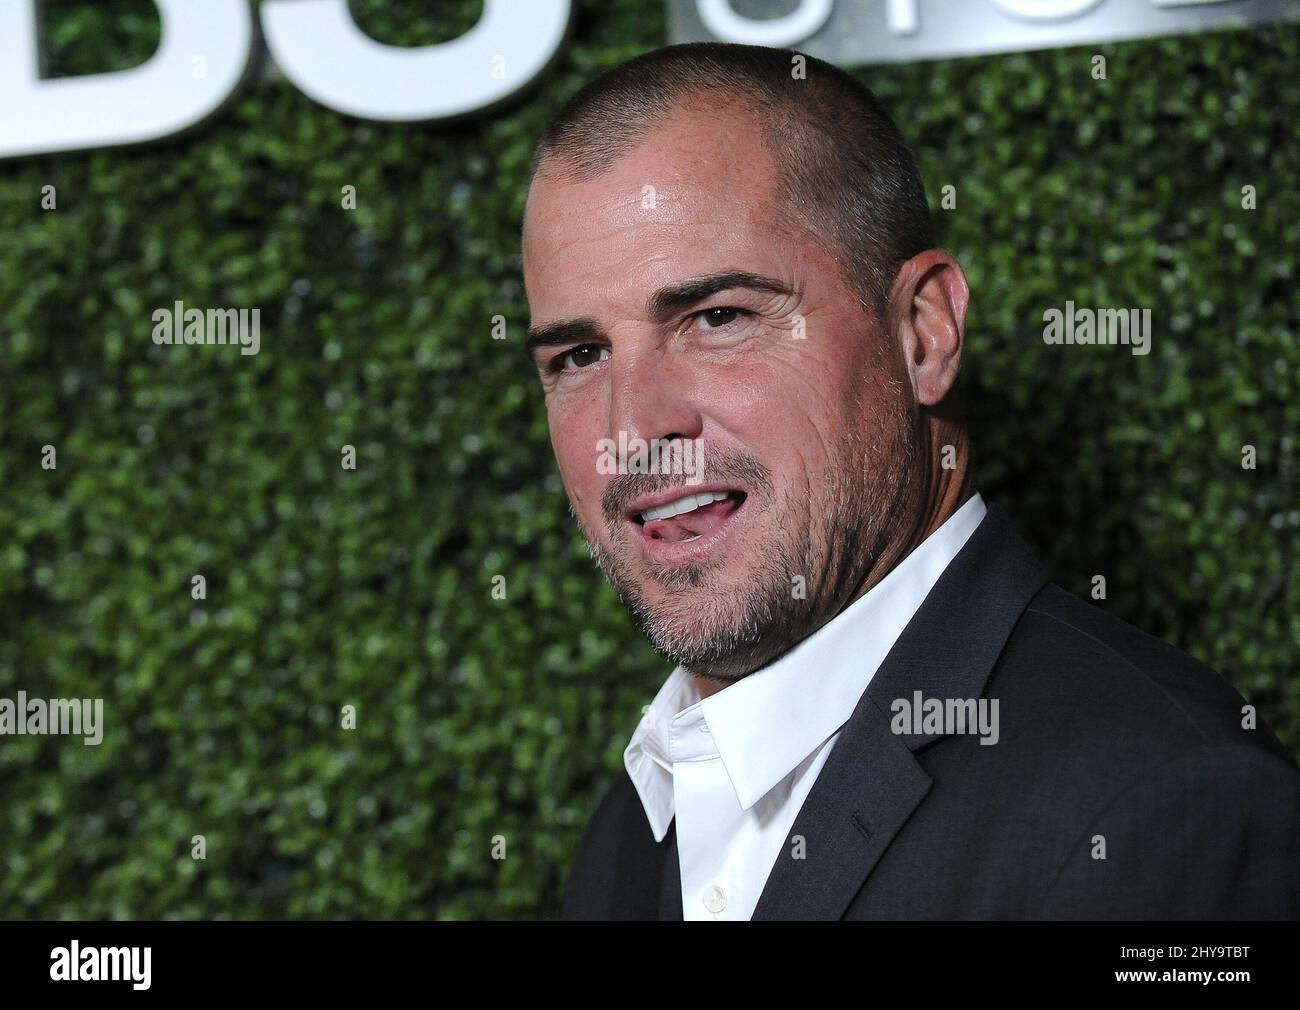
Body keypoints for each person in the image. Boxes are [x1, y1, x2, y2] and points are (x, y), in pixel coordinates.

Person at [519, 42, 1300, 920]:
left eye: (717, 317)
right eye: (580, 355)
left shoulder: (1163, 810)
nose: (634, 431)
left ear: (924, 333)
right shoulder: (633, 830)